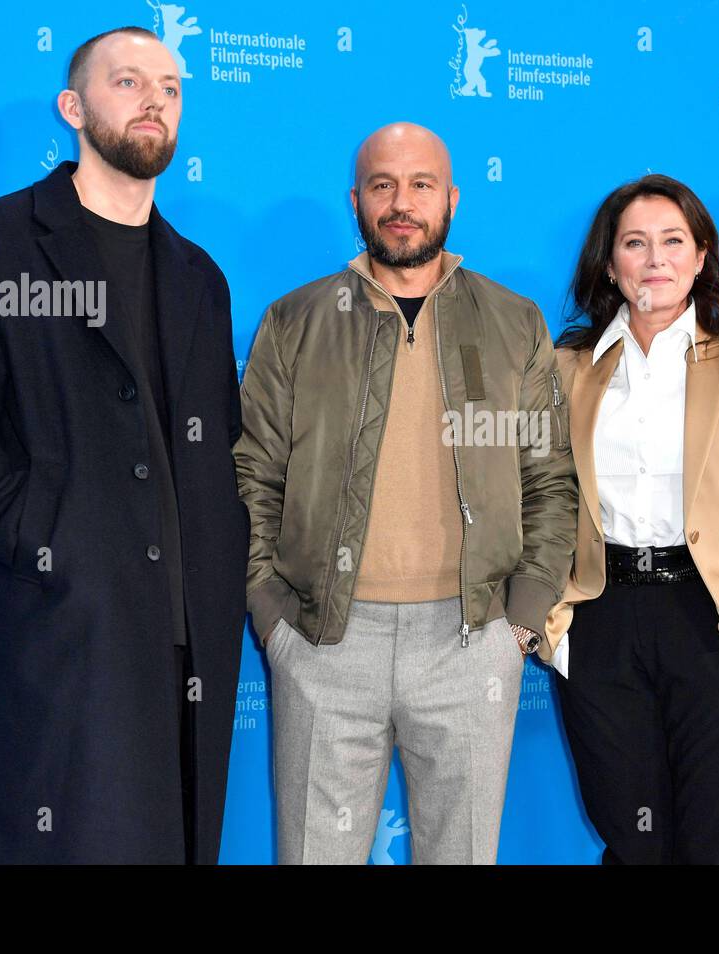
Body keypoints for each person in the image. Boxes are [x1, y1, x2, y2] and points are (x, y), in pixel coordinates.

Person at [0, 27, 248, 863]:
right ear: (73, 108)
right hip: (65, 630)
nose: (154, 100)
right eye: (128, 82)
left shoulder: (200, 276)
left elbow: (219, 448)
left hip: (189, 641)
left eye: (169, 86)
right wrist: (47, 535)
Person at [233, 122, 577, 864]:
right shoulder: (295, 321)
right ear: (356, 200)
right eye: (383, 185)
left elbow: (550, 480)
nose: (402, 202)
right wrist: (274, 621)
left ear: (450, 199)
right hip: (325, 641)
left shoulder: (515, 322)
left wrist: (518, 626)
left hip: (473, 639)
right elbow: (251, 474)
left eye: (421, 185)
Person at [543, 174, 719, 863]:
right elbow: (534, 500)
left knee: (716, 843)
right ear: (610, 264)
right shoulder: (566, 367)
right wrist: (556, 630)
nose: (655, 259)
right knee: (632, 844)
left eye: (673, 241)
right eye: (635, 243)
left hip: (713, 618)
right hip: (600, 620)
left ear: (700, 258)